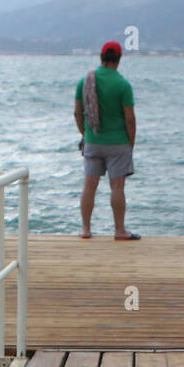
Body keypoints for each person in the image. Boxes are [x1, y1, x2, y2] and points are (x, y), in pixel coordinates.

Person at [74, 41, 139, 240]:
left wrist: (86, 134)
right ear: (119, 59)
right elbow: (129, 118)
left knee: (89, 185)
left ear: (101, 57)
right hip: (118, 142)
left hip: (93, 140)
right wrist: (131, 142)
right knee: (117, 188)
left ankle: (85, 229)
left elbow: (77, 113)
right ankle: (119, 230)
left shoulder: (85, 81)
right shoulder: (123, 85)